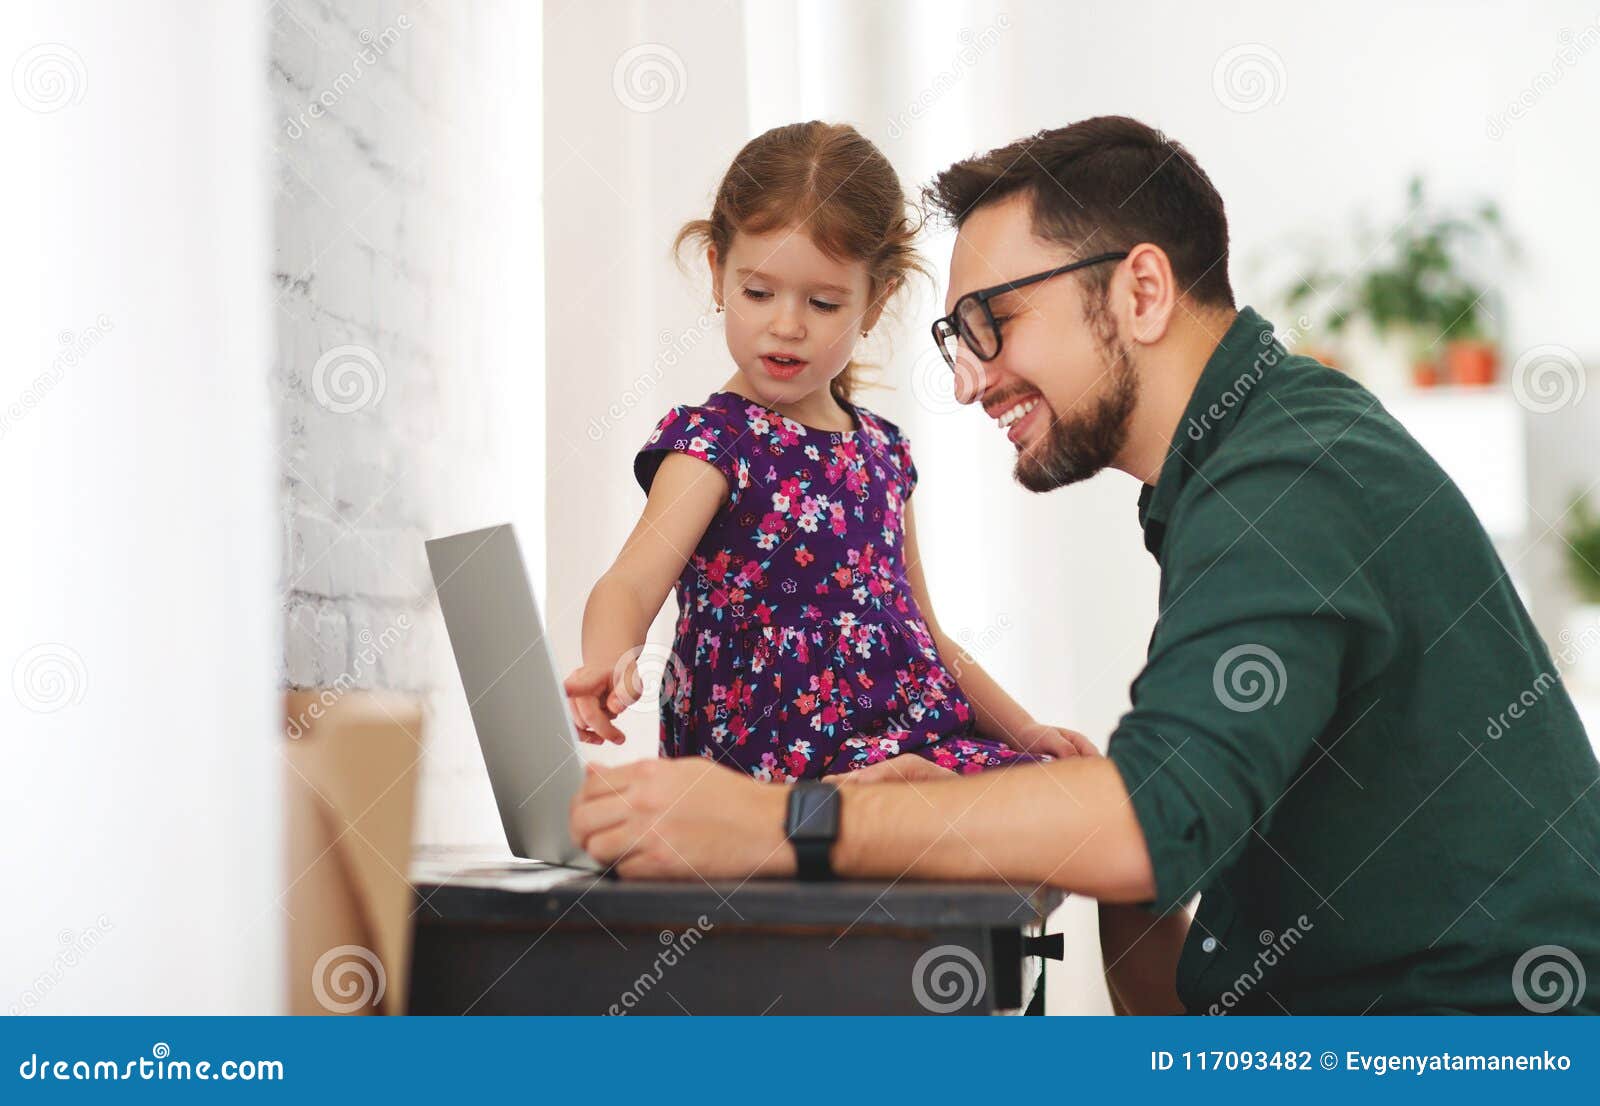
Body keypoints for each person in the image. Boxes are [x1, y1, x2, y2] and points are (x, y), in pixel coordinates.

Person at [569, 115, 1600, 1015]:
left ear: (1141, 289)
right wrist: (984, 813)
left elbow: (1147, 821)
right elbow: (1159, 837)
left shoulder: (1291, 477)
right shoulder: (1237, 465)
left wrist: (785, 817)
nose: (972, 382)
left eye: (995, 322)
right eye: (957, 337)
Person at [562, 121, 1095, 784]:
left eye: (823, 302)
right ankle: (873, 800)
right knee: (947, 799)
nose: (786, 324)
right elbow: (631, 582)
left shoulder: (883, 452)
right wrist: (606, 661)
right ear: (716, 272)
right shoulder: (715, 444)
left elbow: (922, 625)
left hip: (895, 738)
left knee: (1077, 792)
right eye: (757, 293)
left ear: (876, 303)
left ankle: (902, 796)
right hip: (764, 760)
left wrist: (1027, 731)